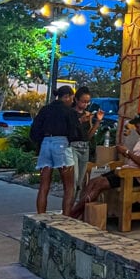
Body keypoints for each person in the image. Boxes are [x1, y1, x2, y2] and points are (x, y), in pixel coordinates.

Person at [70, 111, 140, 220]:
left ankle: (74, 213)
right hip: (126, 170)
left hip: (136, 176)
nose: (136, 129)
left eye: (138, 127)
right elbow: (135, 157)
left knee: (99, 184)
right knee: (93, 181)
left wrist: (127, 152)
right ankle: (82, 212)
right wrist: (125, 153)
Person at [30, 85, 80, 215]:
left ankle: (41, 216)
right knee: (69, 186)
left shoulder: (45, 109)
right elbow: (75, 133)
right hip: (62, 144)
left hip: (45, 144)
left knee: (44, 185)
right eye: (72, 99)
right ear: (67, 97)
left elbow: (34, 131)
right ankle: (66, 217)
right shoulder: (69, 112)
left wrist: (41, 142)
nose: (72, 102)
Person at [69, 87, 104, 202]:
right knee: (74, 180)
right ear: (76, 100)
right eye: (83, 101)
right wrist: (80, 121)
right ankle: (69, 206)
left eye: (88, 102)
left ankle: (75, 205)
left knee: (80, 181)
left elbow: (89, 136)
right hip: (73, 146)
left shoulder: (87, 114)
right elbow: (68, 132)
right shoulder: (70, 113)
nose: (85, 104)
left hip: (84, 147)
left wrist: (98, 121)